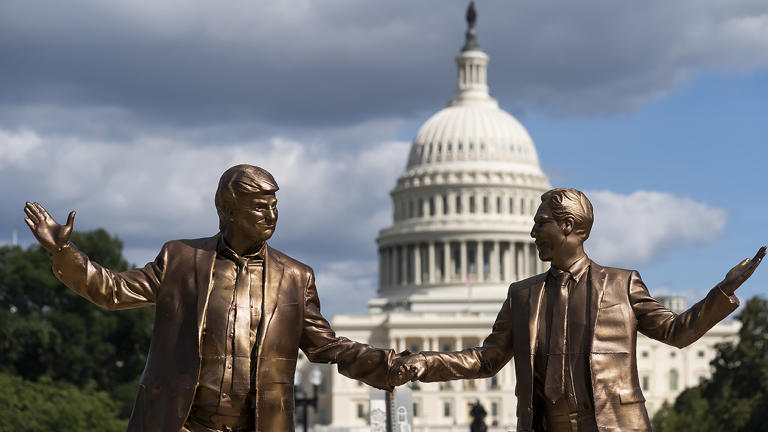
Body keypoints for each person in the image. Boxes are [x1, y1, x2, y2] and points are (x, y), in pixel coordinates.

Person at [24, 164, 403, 432]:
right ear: (228, 211)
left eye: (274, 205)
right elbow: (112, 290)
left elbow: (331, 349)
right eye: (259, 206)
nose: (271, 215)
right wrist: (65, 252)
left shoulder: (295, 277)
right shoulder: (180, 259)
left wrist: (419, 365)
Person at [389, 188, 765, 432]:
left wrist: (724, 290)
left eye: (541, 223)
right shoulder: (522, 295)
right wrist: (420, 364)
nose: (533, 233)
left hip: (614, 425)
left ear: (568, 225)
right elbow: (485, 360)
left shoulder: (622, 284)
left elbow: (677, 332)